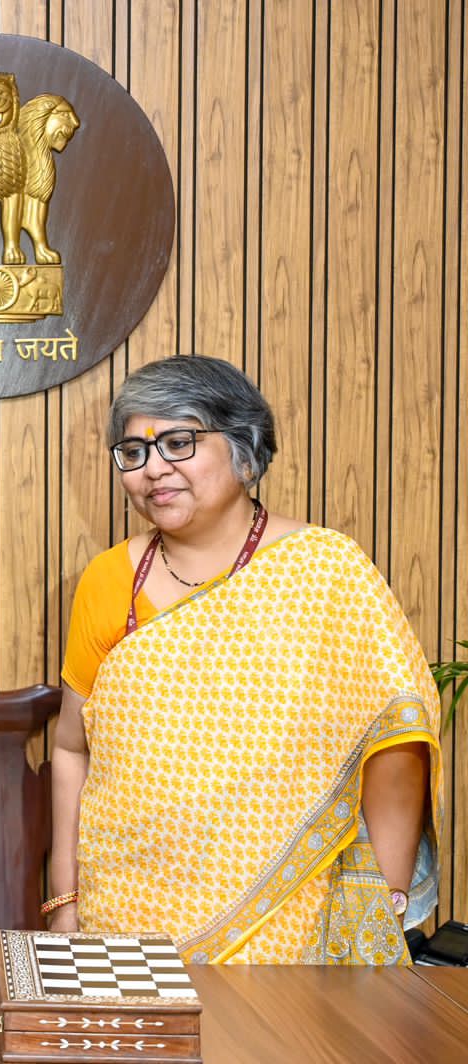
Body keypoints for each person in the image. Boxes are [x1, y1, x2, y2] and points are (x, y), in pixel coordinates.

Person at [47, 354, 440, 964]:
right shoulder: (108, 579)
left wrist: (379, 906)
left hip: (292, 919)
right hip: (122, 914)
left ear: (244, 448)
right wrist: (64, 900)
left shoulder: (327, 572)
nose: (154, 468)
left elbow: (396, 735)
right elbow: (72, 748)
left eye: (179, 443)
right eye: (134, 451)